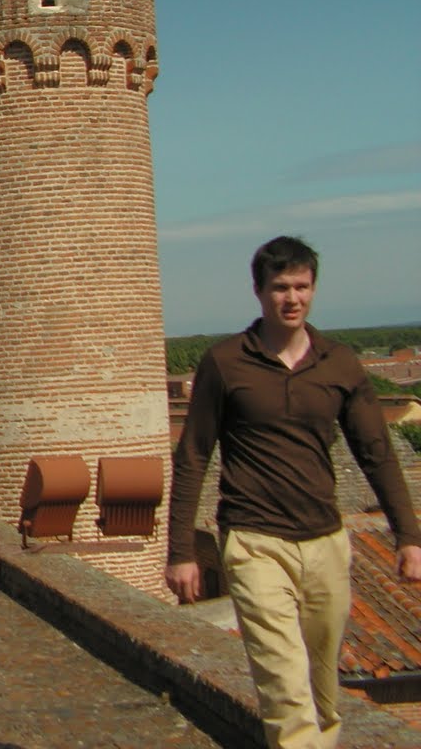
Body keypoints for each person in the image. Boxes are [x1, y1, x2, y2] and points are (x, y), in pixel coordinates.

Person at [166, 236, 421, 749]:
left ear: (313, 289)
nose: (292, 298)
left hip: (326, 542)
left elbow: (377, 452)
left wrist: (408, 536)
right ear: (259, 292)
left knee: (322, 686)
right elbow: (193, 454)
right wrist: (180, 552)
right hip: (254, 541)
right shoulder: (225, 362)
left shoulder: (340, 363)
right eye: (280, 287)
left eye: (302, 286)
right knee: (283, 683)